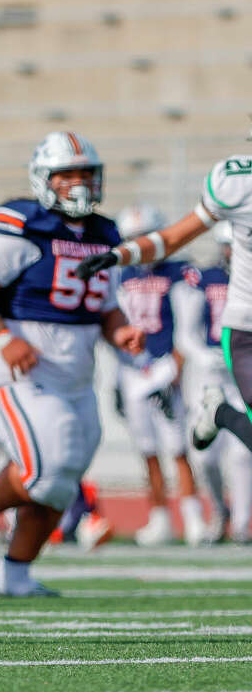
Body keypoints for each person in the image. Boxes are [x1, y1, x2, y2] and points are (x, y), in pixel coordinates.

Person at [0, 131, 145, 597]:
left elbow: (104, 304)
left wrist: (119, 329)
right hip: (21, 371)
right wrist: (3, 339)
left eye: (86, 174)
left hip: (78, 373)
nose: (78, 183)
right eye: (67, 174)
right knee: (45, 468)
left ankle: (15, 573)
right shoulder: (25, 223)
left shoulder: (106, 233)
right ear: (45, 180)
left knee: (60, 484)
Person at [77, 143, 252, 513]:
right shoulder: (237, 181)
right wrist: (119, 254)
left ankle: (223, 414)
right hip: (245, 328)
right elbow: (173, 238)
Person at [111, 204, 208, 546]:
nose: (139, 245)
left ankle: (194, 516)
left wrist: (176, 368)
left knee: (177, 447)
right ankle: (160, 517)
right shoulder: (120, 276)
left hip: (164, 367)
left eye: (144, 237)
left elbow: (188, 326)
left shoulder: (178, 272)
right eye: (133, 239)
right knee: (148, 450)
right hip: (132, 371)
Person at [173, 222, 252, 542]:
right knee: (204, 455)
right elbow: (185, 332)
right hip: (208, 374)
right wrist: (205, 356)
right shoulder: (203, 280)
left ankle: (243, 524)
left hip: (243, 368)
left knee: (243, 454)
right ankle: (220, 512)